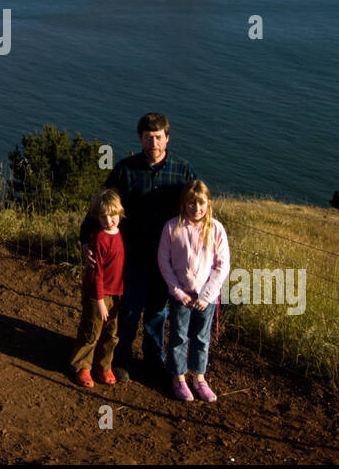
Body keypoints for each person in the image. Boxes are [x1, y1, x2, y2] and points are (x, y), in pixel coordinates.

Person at [82, 112, 197, 381]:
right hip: (131, 253)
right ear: (140, 138)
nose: (154, 143)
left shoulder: (183, 171)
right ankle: (121, 359)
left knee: (158, 310)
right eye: (148, 137)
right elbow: (102, 205)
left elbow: (198, 206)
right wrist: (85, 239)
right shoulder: (125, 169)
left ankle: (153, 358)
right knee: (130, 309)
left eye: (158, 137)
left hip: (167, 256)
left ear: (167, 138)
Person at [157, 180, 230, 401]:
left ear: (208, 203)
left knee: (201, 338)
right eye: (191, 204)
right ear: (183, 204)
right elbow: (164, 261)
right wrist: (178, 292)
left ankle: (199, 378)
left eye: (200, 204)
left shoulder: (216, 228)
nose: (196, 209)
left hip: (206, 298)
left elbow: (222, 264)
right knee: (179, 337)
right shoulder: (172, 227)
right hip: (182, 296)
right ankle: (178, 378)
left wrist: (207, 295)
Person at [68, 188, 125, 387]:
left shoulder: (120, 234)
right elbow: (97, 273)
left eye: (113, 215)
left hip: (116, 292)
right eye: (103, 217)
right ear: (97, 217)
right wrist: (100, 301)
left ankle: (104, 365)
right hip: (98, 294)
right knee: (91, 331)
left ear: (120, 213)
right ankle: (83, 366)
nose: (109, 221)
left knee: (111, 333)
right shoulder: (100, 239)